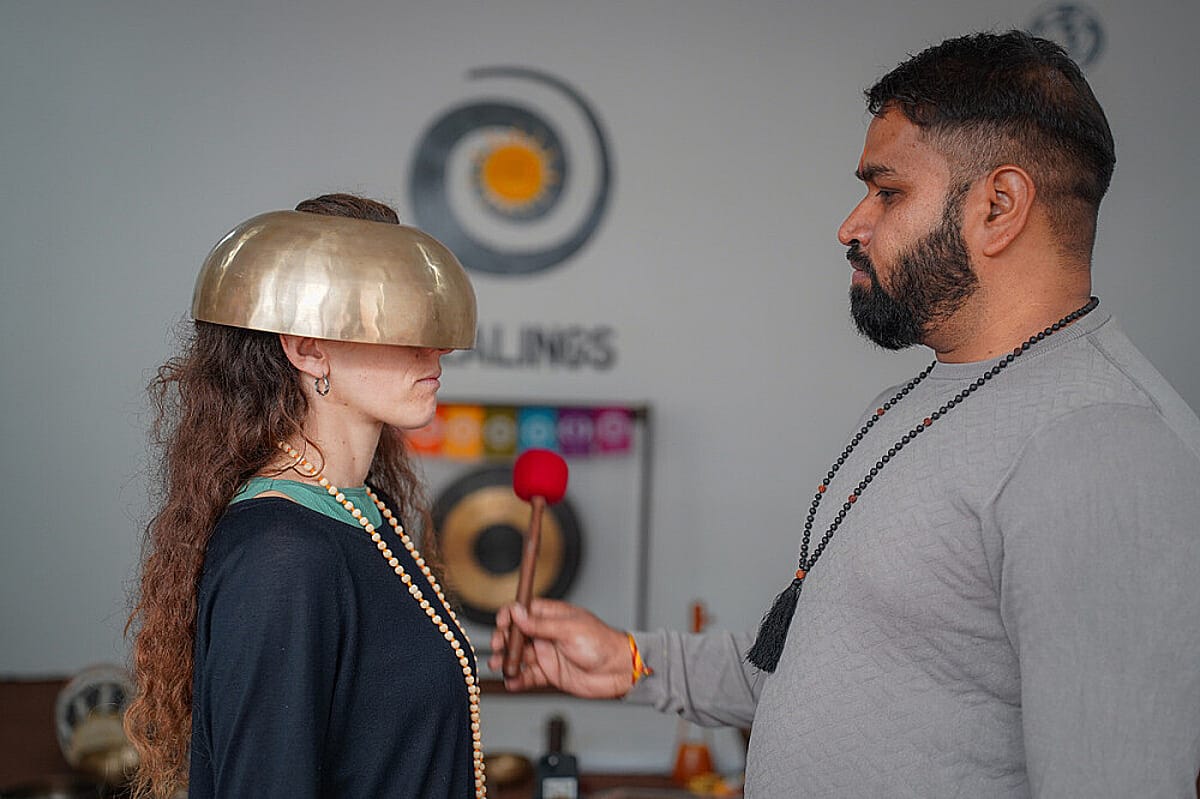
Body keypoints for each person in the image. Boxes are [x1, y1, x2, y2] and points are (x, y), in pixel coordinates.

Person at [491, 31, 1200, 798]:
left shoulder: (1105, 449)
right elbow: (823, 675)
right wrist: (632, 660)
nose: (851, 224)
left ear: (999, 205)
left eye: (888, 191)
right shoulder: (915, 401)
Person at [125, 194, 488, 798]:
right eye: (400, 319)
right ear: (308, 347)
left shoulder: (366, 513)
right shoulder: (281, 555)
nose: (437, 349)